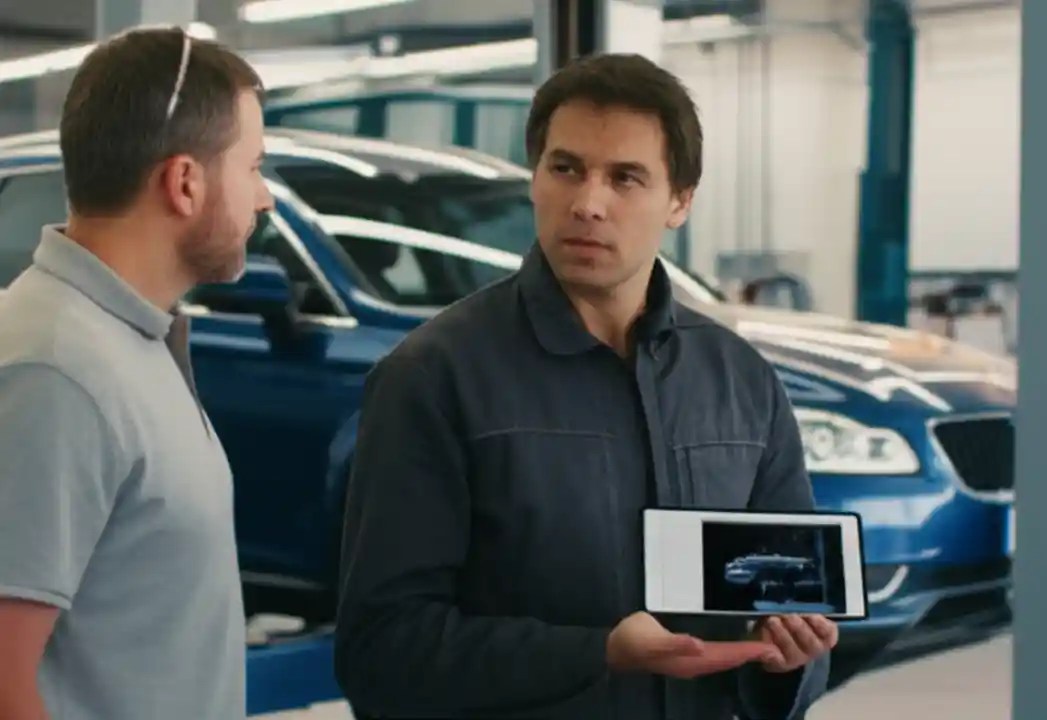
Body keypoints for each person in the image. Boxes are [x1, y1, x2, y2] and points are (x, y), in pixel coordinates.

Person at [335, 53, 835, 720]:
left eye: (626, 178)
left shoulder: (741, 383)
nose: (588, 203)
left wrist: (789, 655)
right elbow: (383, 654)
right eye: (565, 168)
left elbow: (793, 613)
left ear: (680, 202)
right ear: (535, 178)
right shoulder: (434, 378)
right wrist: (597, 653)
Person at [0, 27, 272, 720]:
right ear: (185, 182)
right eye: (253, 168)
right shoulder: (57, 368)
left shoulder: (122, 339)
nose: (263, 199)